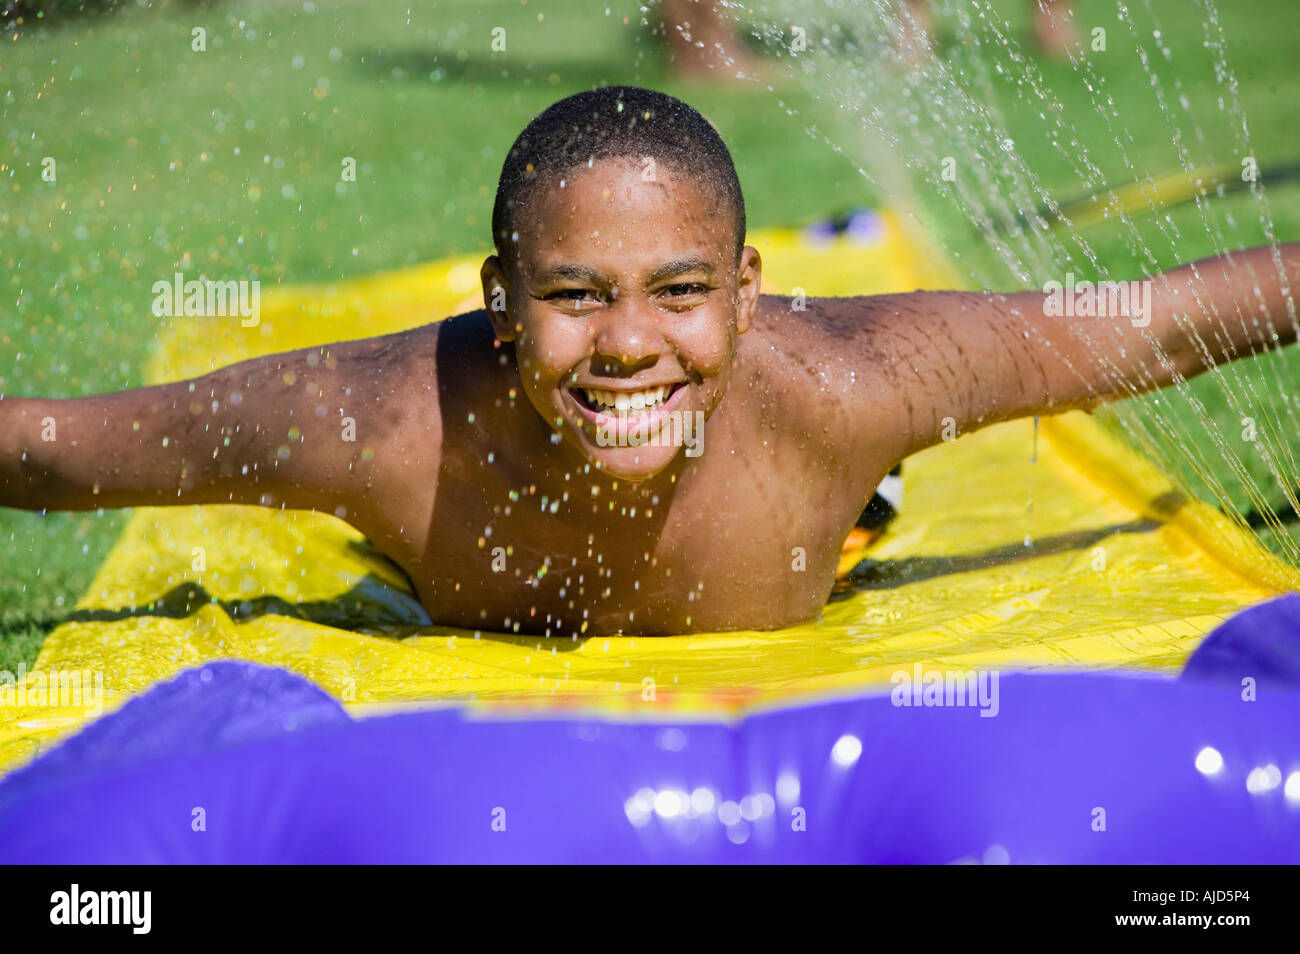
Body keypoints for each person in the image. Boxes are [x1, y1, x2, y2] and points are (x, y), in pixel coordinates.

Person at [3, 86, 1296, 637]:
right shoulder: (373, 426)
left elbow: (1154, 320)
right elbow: (57, 449)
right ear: (499, 302)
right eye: (574, 296)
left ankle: (864, 514)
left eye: (679, 292)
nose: (627, 343)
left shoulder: (854, 383)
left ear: (745, 296)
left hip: (817, 498)